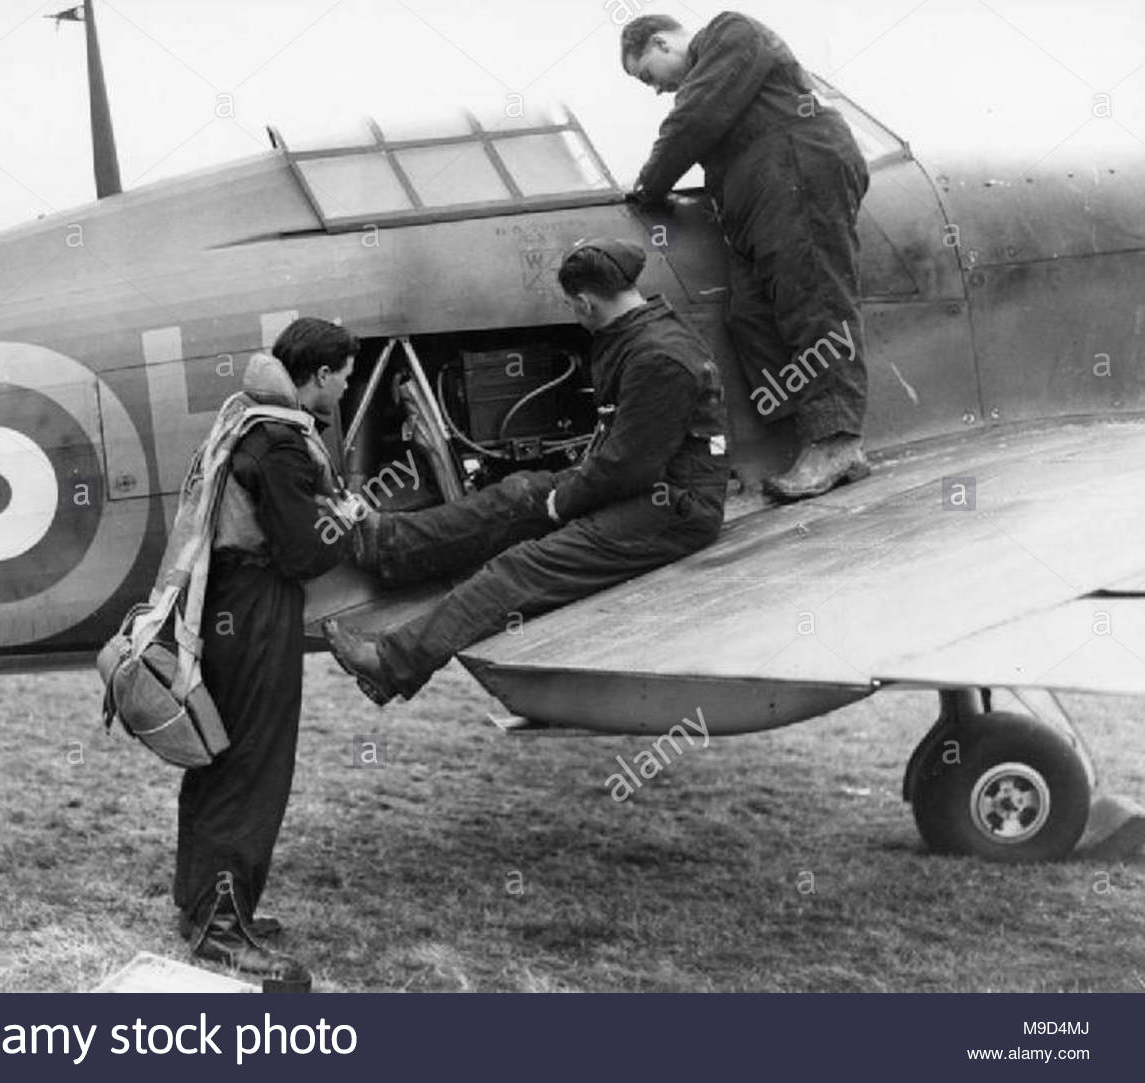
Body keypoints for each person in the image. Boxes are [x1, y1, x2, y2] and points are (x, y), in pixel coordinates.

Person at [323, 237, 728, 704]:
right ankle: (389, 544)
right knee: (516, 494)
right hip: (646, 487)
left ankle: (393, 663)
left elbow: (629, 467)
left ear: (584, 301)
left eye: (572, 307)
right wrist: (556, 492)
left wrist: (564, 501)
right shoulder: (645, 333)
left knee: (523, 568)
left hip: (672, 507)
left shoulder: (658, 356)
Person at [622, 11, 871, 501]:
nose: (655, 90)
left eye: (648, 75)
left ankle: (837, 441)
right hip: (758, 194)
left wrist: (648, 186)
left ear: (662, 42)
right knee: (749, 316)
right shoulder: (713, 75)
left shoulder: (729, 33)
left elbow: (694, 119)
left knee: (813, 301)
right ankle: (806, 434)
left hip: (798, 166)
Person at [173, 317, 356, 983]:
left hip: (225, 601)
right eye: (345, 373)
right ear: (321, 374)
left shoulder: (246, 418)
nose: (348, 385)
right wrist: (350, 517)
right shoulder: (280, 440)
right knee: (254, 767)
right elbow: (304, 550)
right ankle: (222, 927)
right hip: (256, 607)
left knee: (220, 757)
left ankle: (203, 904)